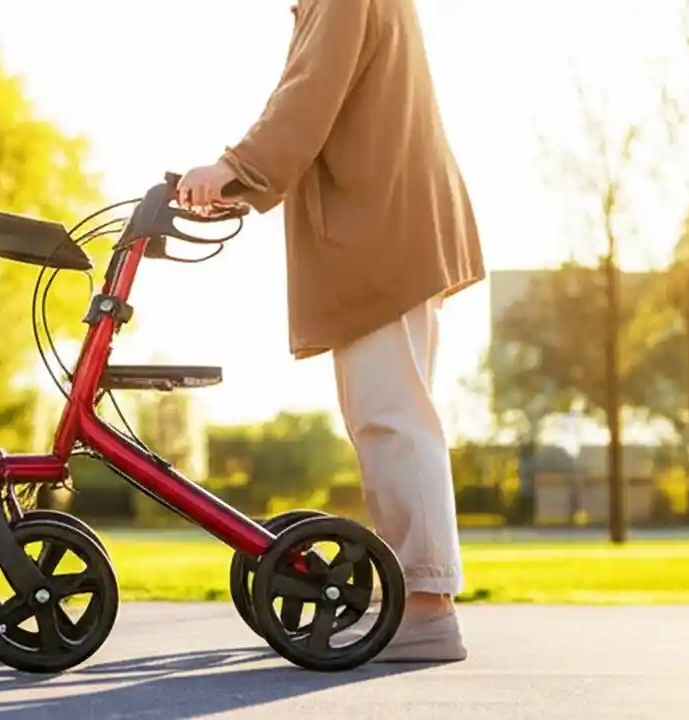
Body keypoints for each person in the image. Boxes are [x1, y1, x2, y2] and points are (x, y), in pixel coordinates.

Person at [178, 0, 484, 662]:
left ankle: (426, 606)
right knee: (385, 413)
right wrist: (243, 179)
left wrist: (234, 166)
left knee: (393, 415)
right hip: (388, 221)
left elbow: (309, 93)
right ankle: (412, 597)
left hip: (385, 225)